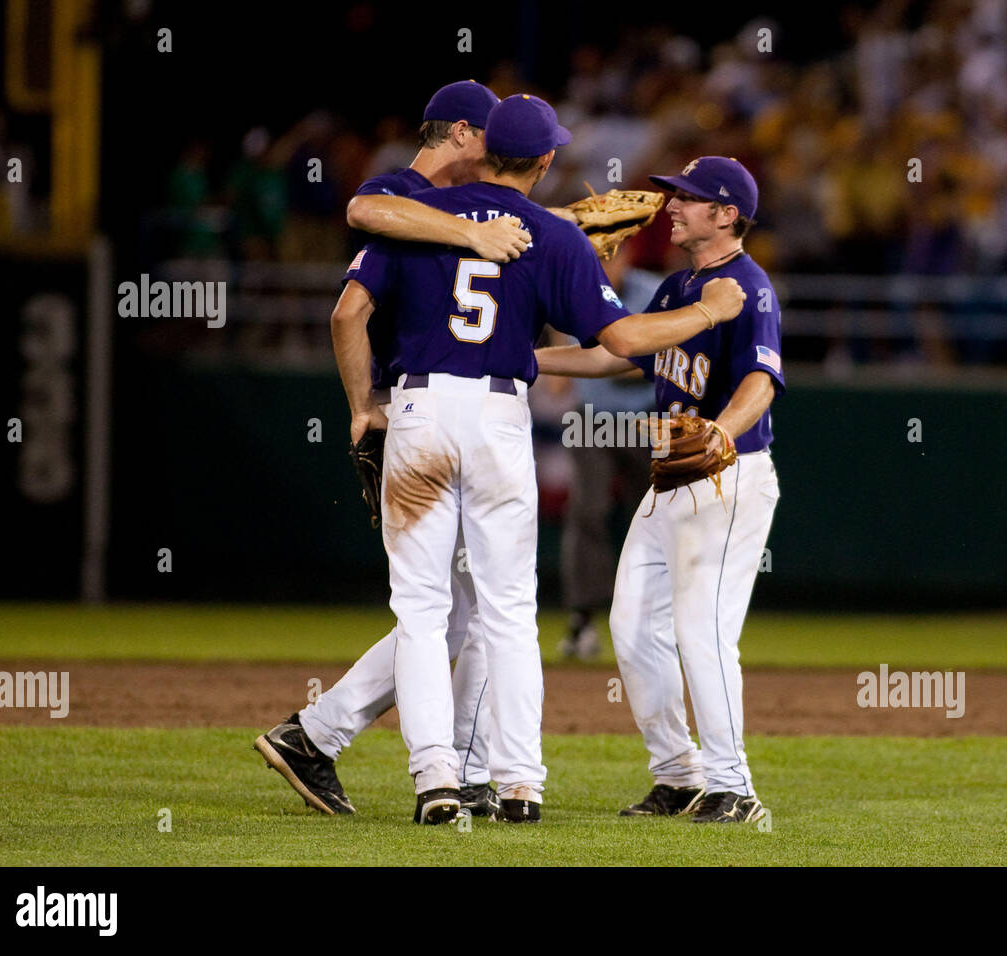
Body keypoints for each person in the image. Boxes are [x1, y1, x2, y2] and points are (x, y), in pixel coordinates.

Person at [330, 96, 746, 824]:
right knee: (510, 612)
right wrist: (708, 312)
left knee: (423, 612)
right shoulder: (554, 236)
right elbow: (620, 343)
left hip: (419, 408)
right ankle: (519, 783)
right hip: (496, 416)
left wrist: (364, 405)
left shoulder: (415, 210)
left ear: (484, 148)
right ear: (547, 160)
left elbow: (349, 304)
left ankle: (435, 783)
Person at [254, 81, 529, 819]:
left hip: (416, 418)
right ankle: (417, 761)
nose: (499, 154)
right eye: (491, 138)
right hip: (425, 416)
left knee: (455, 611)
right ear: (465, 133)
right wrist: (360, 409)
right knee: (447, 609)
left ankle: (318, 734)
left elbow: (350, 312)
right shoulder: (399, 192)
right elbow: (358, 222)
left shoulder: (445, 208)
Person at [535, 156, 782, 823]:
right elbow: (614, 354)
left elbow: (761, 381)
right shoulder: (680, 286)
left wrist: (723, 436)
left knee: (701, 631)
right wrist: (526, 359)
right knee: (634, 624)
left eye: (689, 198)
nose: (671, 206)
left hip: (727, 475)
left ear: (726, 214)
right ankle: (680, 776)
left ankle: (736, 789)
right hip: (673, 474)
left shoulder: (748, 286)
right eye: (673, 195)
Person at [556, 245, 661, 660]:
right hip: (592, 420)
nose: (605, 264)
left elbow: (659, 359)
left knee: (654, 520)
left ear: (627, 256)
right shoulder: (574, 290)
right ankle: (581, 623)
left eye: (611, 255)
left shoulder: (653, 292)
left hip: (647, 420)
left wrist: (625, 363)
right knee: (588, 512)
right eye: (597, 255)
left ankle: (652, 622)